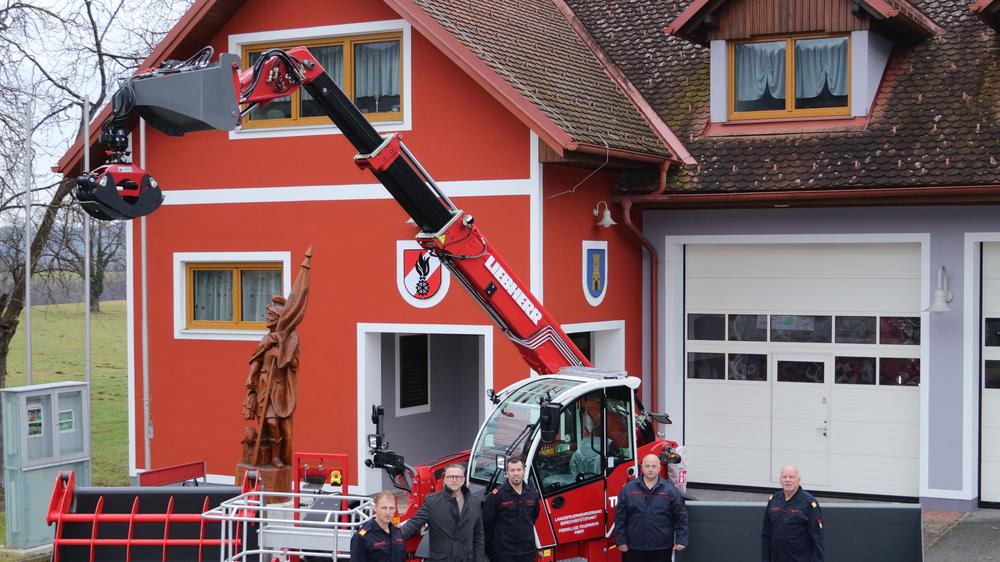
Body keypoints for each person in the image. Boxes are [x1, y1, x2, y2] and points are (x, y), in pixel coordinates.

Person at [243, 248, 311, 468]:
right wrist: (251, 376)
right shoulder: (266, 339)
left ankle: (282, 457)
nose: (266, 317)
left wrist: (284, 352)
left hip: (281, 389)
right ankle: (273, 458)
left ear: (278, 318)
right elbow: (256, 359)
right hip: (266, 385)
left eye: (270, 315)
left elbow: (295, 364)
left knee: (285, 429)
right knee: (271, 424)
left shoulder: (290, 340)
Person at [399, 463, 486, 562]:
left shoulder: (475, 502)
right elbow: (412, 525)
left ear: (463, 479)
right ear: (444, 479)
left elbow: (478, 536)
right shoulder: (432, 501)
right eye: (450, 477)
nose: (454, 480)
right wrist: (390, 536)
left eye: (458, 477)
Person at [614, 453, 688, 561]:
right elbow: (620, 517)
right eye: (647, 466)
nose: (650, 469)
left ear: (659, 468)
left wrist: (681, 540)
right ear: (642, 468)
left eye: (654, 466)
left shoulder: (671, 491)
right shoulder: (628, 490)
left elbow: (681, 517)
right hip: (634, 547)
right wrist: (620, 541)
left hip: (662, 548)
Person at [761, 465, 824, 562]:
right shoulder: (774, 500)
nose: (788, 480)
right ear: (780, 480)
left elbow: (817, 540)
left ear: (798, 480)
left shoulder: (808, 503)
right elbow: (766, 535)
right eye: (784, 477)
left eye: (791, 477)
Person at [483, 456, 540, 562]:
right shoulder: (497, 495)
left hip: (527, 553)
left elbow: (533, 517)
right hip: (504, 554)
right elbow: (487, 524)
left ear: (524, 471)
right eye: (512, 470)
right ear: (507, 473)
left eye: (519, 469)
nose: (516, 473)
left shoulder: (532, 494)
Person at [350, 491, 406, 562]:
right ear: (375, 508)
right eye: (384, 508)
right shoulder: (362, 537)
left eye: (391, 508)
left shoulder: (397, 532)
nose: (388, 512)